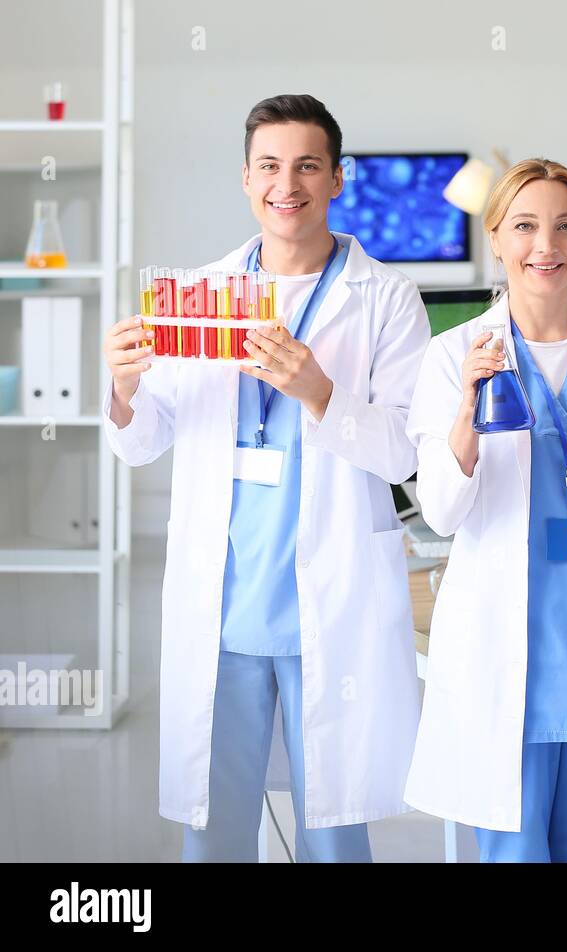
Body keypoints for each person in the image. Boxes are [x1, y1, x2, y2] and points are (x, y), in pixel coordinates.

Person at [101, 94, 428, 861]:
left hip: (330, 601)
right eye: (271, 166)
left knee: (334, 831)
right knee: (213, 824)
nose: (290, 184)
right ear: (246, 180)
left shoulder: (385, 299)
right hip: (224, 608)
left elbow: (407, 452)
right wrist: (122, 389)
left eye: (308, 165)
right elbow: (146, 441)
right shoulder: (197, 296)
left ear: (338, 178)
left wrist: (319, 391)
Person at [402, 159, 567, 862]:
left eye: (565, 226)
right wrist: (467, 408)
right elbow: (440, 510)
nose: (544, 245)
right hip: (507, 661)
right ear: (497, 237)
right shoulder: (451, 356)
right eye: (524, 226)